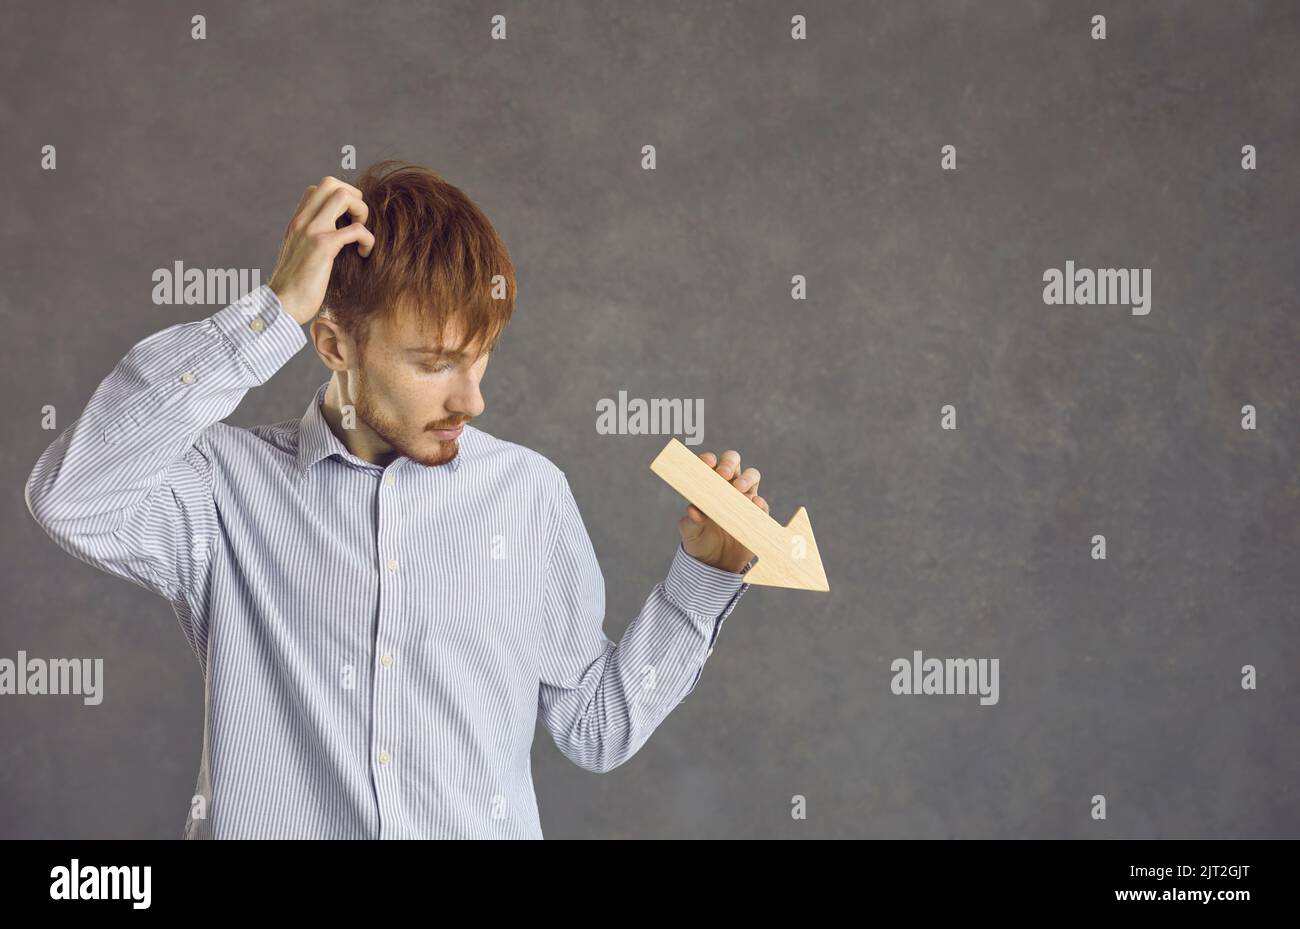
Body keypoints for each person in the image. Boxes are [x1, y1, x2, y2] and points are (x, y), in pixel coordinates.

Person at [24, 161, 772, 839]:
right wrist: (272, 310)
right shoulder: (226, 489)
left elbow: (595, 726)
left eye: (479, 359)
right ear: (335, 344)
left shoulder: (529, 495)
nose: (471, 399)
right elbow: (74, 496)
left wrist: (700, 583)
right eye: (434, 364)